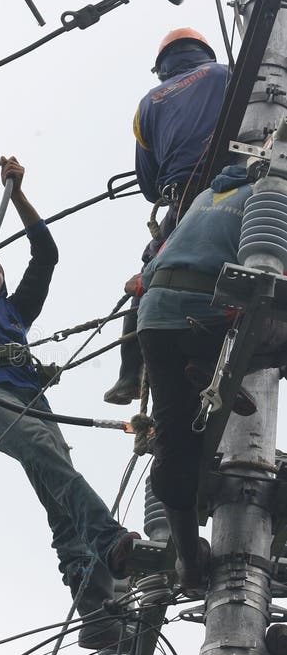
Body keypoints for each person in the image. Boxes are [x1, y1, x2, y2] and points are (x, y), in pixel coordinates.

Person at [0, 155, 139, 647]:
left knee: (58, 494)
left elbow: (45, 255)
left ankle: (95, 611)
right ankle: (111, 543)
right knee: (43, 449)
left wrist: (18, 195)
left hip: (30, 400)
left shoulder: (15, 313)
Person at [127, 161, 287, 588]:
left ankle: (188, 561)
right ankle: (217, 366)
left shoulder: (202, 198)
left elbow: (144, 276)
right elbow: (268, 269)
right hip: (206, 315)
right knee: (274, 329)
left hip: (155, 321)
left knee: (176, 445)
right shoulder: (269, 199)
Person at [105, 28, 229, 405]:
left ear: (161, 68)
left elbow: (148, 183)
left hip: (180, 199)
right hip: (228, 190)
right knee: (233, 268)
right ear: (204, 53)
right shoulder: (229, 73)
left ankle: (130, 374)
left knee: (152, 276)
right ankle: (212, 357)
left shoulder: (147, 104)